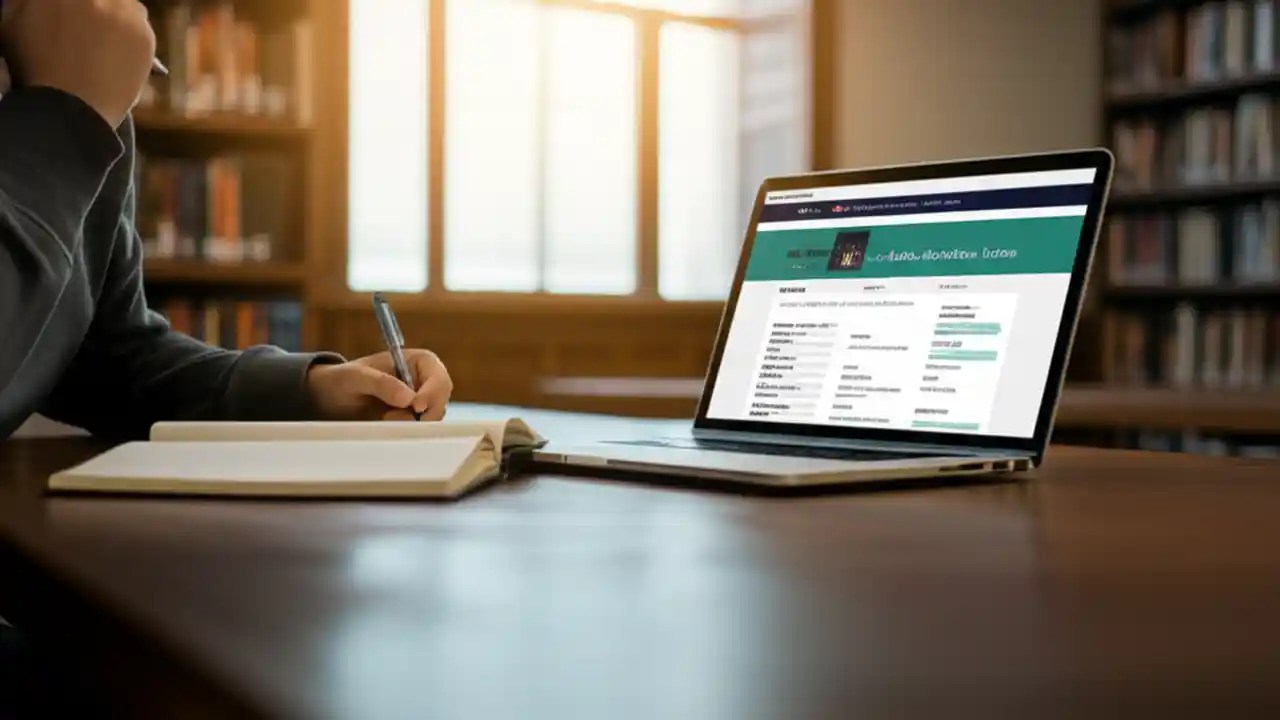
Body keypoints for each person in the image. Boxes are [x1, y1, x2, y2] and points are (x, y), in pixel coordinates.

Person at [0, 0, 453, 442]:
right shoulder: (72, 91)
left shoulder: (80, 59)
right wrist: (64, 121)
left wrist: (314, 391)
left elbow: (105, 362)